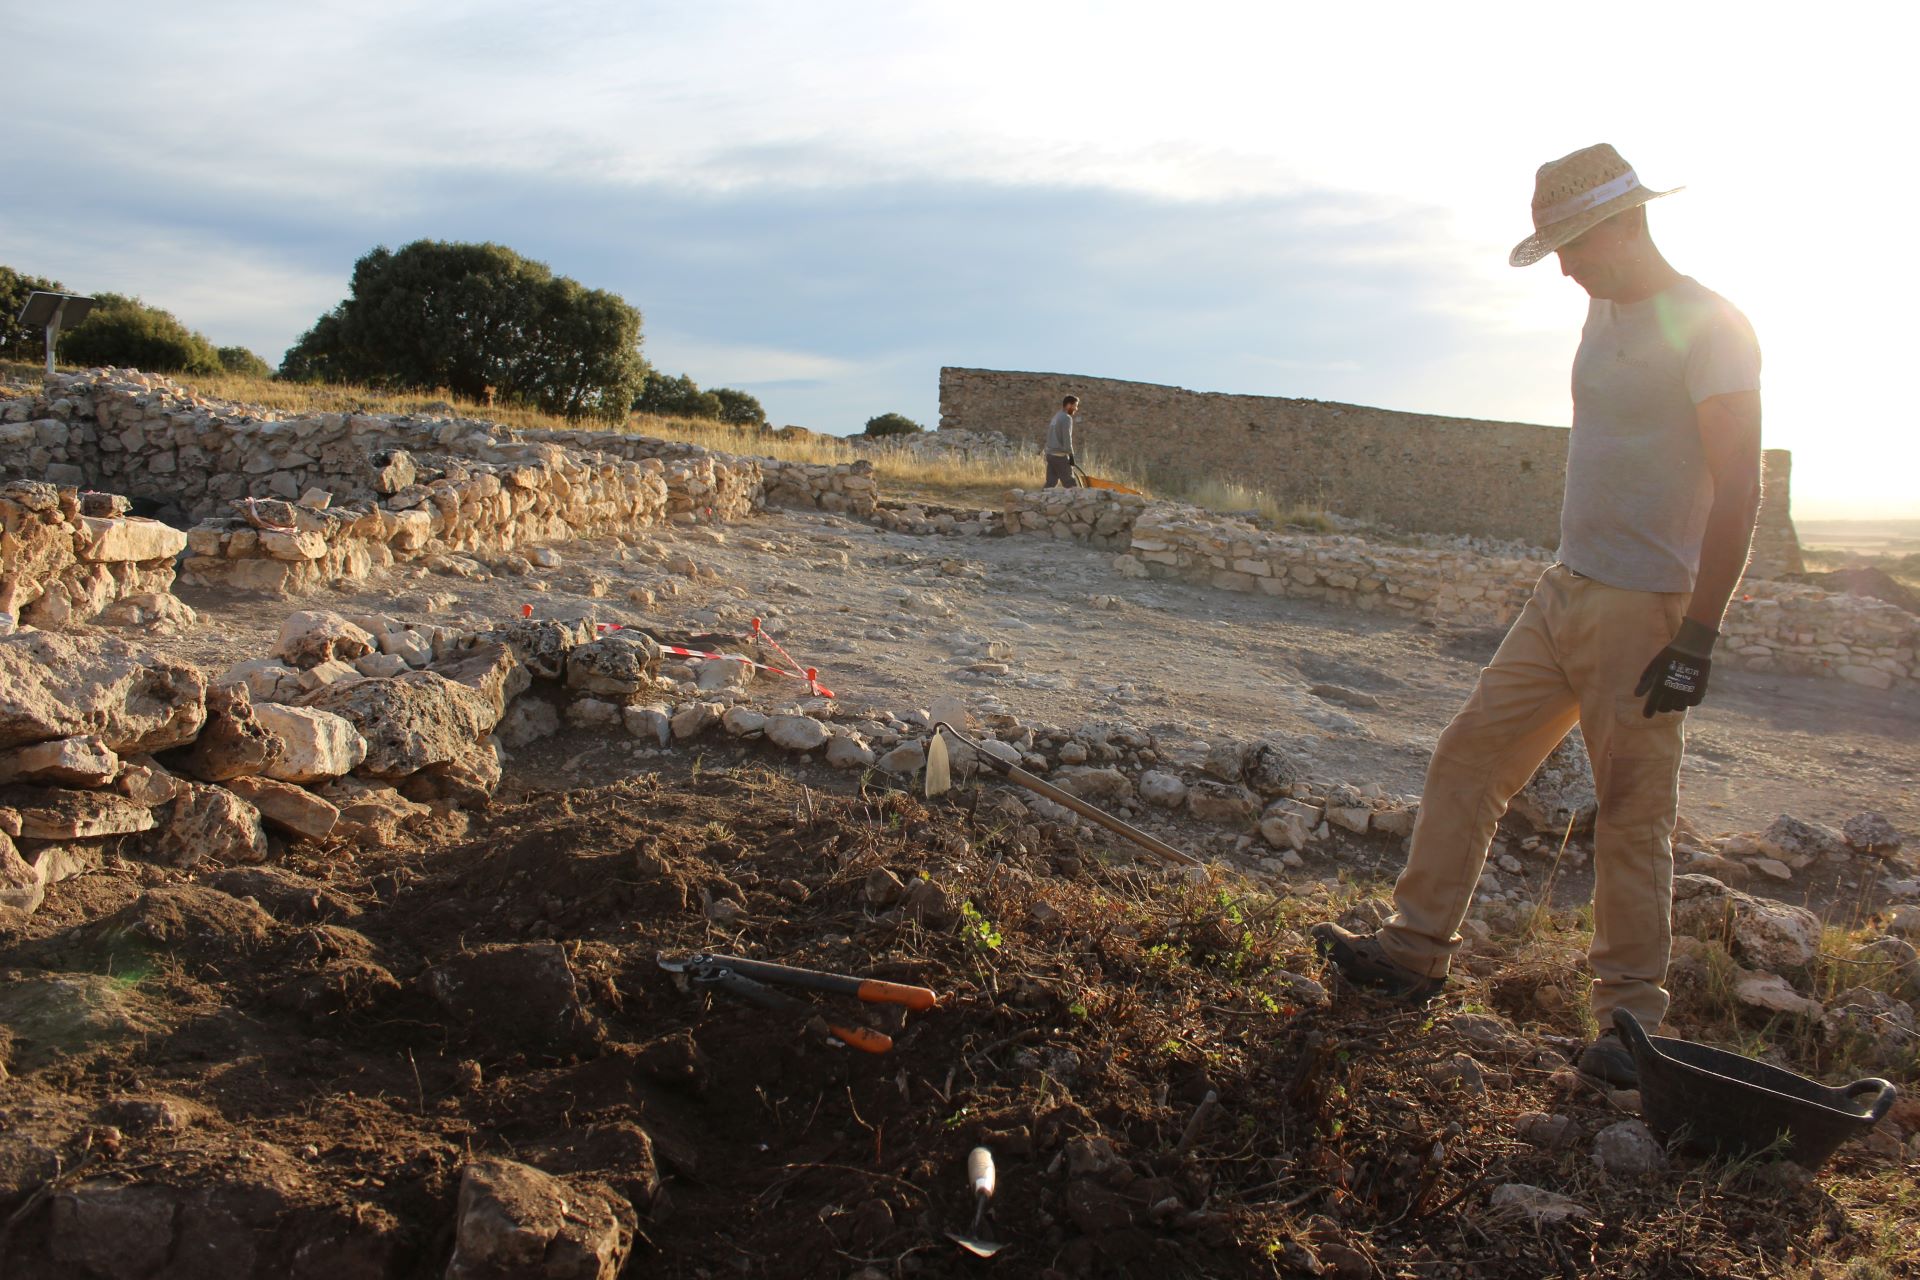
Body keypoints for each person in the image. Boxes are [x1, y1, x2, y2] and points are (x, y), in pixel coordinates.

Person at [1312, 144, 1763, 1089]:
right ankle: (1412, 955)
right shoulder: (1604, 307)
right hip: (1564, 589)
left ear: (1627, 224)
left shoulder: (1714, 328)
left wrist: (1698, 635)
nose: (1563, 267)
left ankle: (1630, 1027)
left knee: (1631, 814)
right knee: (1469, 757)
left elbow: (1740, 488)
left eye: (1574, 244)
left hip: (1646, 610)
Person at [1043, 395, 1079, 488]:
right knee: (1070, 484)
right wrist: (1071, 455)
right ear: (1068, 405)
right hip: (1059, 456)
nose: (1076, 409)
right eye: (1075, 406)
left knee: (1051, 483)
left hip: (1050, 454)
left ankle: (1041, 497)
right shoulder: (1066, 418)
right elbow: (1067, 438)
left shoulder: (1056, 416)